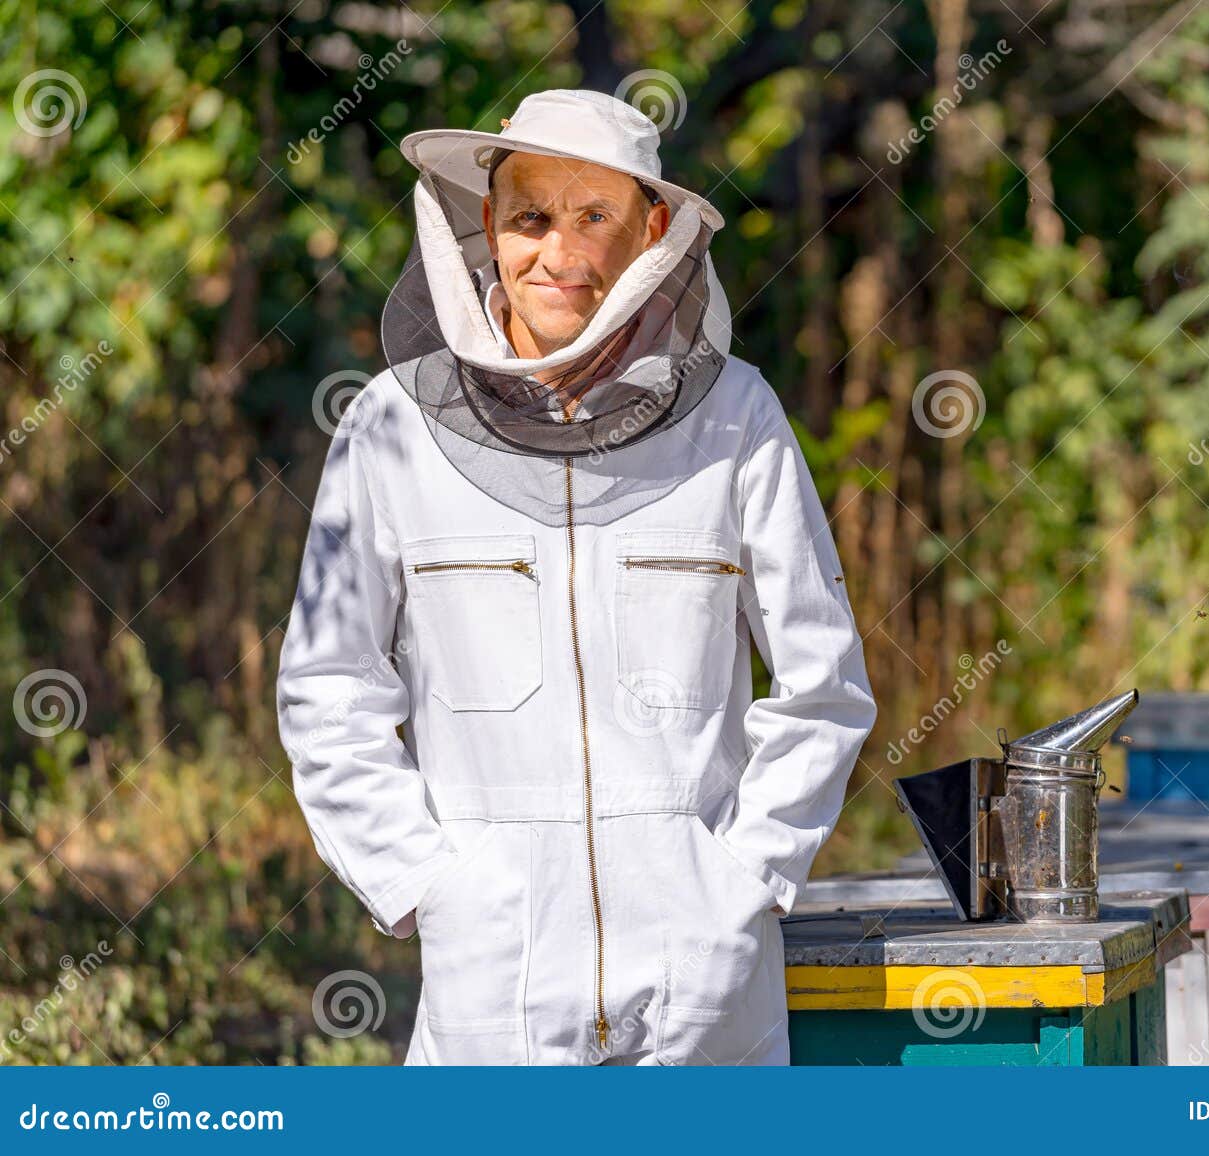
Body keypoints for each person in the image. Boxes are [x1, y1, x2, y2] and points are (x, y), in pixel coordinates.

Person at [275, 88, 877, 1065]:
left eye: (595, 216)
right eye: (532, 217)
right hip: (490, 980)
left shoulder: (736, 418)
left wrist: (744, 879)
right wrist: (429, 886)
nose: (560, 253)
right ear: (487, 225)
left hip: (704, 981)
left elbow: (824, 682)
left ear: (653, 232)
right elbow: (327, 690)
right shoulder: (391, 427)